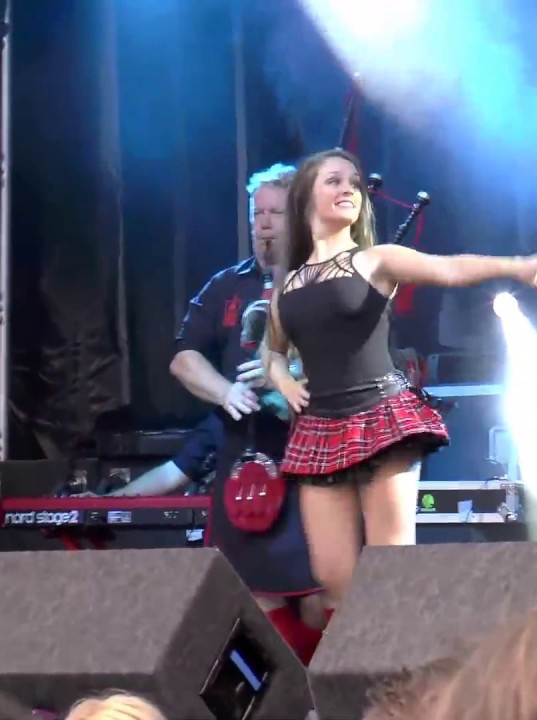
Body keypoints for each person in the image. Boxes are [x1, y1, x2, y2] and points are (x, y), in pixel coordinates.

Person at [263, 148, 537, 615]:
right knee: (332, 576)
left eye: (354, 182)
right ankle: (356, 674)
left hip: (379, 419)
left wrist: (517, 265)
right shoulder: (289, 285)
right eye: (334, 180)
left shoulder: (375, 260)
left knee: (390, 569)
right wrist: (282, 379)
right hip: (320, 428)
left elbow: (449, 268)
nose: (348, 188)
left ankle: (399, 676)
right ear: (306, 197)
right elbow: (273, 350)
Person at [161, 163, 331, 662]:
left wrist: (296, 375)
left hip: (314, 459)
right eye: (257, 213)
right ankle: (295, 701)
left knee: (323, 600)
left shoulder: (327, 282)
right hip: (247, 466)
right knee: (257, 605)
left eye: (276, 212)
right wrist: (224, 392)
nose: (263, 223)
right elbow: (183, 357)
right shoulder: (226, 287)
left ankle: (330, 694)